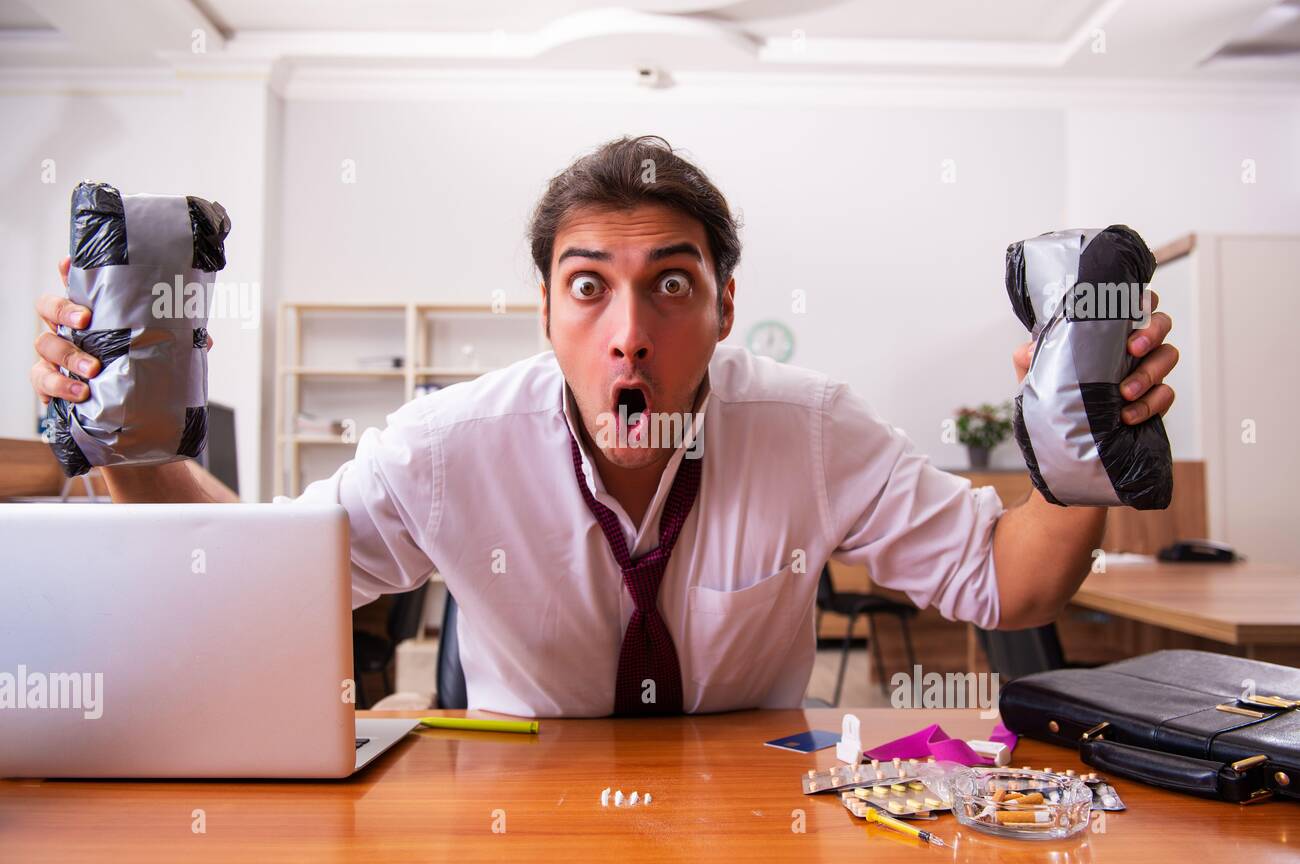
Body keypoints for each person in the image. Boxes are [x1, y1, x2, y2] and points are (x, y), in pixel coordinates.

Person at [29, 135, 1179, 717]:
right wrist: (133, 442)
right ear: (543, 311)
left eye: (670, 285)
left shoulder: (810, 427)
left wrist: (1078, 463)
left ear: (727, 307)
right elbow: (242, 584)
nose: (628, 332)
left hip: (751, 815)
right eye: (589, 286)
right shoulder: (446, 446)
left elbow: (1006, 587)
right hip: (518, 818)